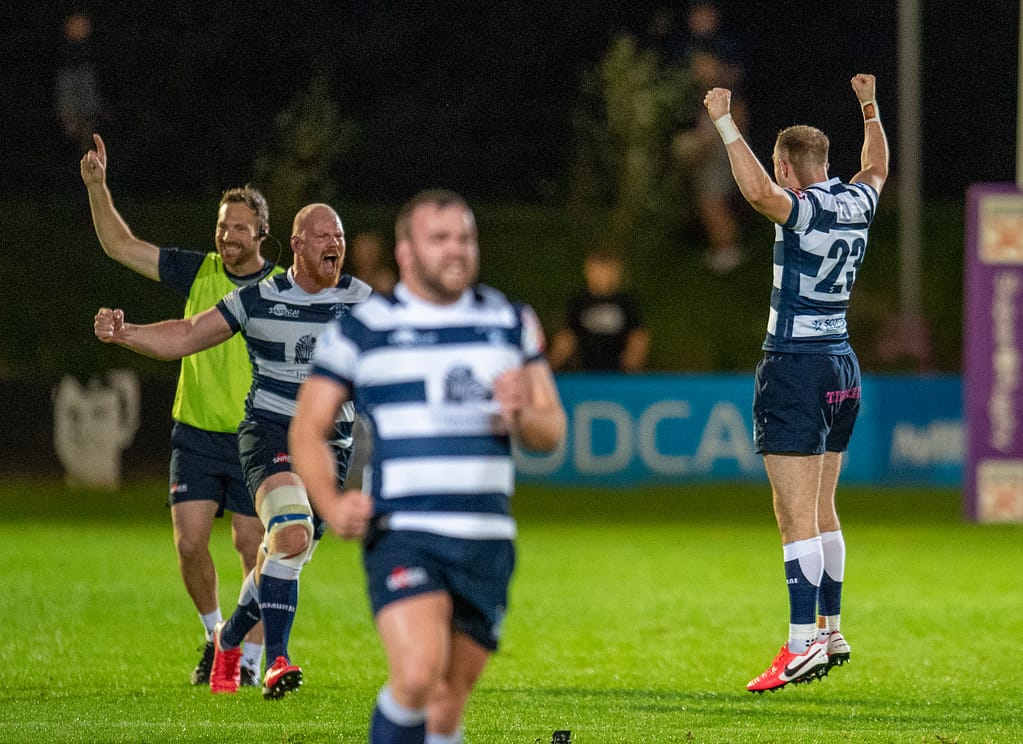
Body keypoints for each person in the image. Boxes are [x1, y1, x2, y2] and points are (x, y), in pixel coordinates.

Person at [289, 189, 566, 743]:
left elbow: (552, 432)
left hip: (486, 540)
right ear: (407, 252)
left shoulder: (510, 321)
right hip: (405, 533)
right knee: (417, 675)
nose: (456, 249)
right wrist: (331, 504)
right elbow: (307, 428)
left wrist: (521, 413)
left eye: (465, 237)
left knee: (446, 704)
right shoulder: (364, 328)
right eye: (439, 239)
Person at [93, 203, 372, 699]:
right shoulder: (259, 299)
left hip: (331, 448)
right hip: (270, 436)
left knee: (282, 555)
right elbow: (186, 334)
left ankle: (227, 637)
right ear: (297, 244)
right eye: (323, 236)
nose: (335, 244)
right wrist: (125, 332)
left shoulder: (363, 302)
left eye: (339, 236)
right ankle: (277, 660)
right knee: (290, 533)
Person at [702, 74, 889, 692]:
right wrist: (869, 108)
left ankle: (802, 642)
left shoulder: (802, 208)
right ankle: (831, 629)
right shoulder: (857, 201)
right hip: (841, 364)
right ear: (826, 163)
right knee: (822, 506)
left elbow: (757, 193)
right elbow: (877, 166)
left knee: (793, 516)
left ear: (786, 167)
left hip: (795, 364)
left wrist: (724, 123)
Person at [80, 133, 277, 687]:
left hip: (256, 436)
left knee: (252, 548)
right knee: (190, 543)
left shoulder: (279, 290)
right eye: (222, 225)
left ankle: (249, 661)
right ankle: (216, 637)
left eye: (239, 227)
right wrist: (97, 187)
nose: (228, 235)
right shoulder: (198, 271)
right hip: (196, 432)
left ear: (262, 234)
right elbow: (122, 246)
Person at [547, 246, 649, 372]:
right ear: (588, 270)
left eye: (607, 269)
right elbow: (567, 338)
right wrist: (549, 366)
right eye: (598, 268)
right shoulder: (579, 302)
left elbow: (638, 338)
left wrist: (630, 370)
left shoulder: (626, 302)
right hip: (585, 372)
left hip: (618, 373)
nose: (603, 274)